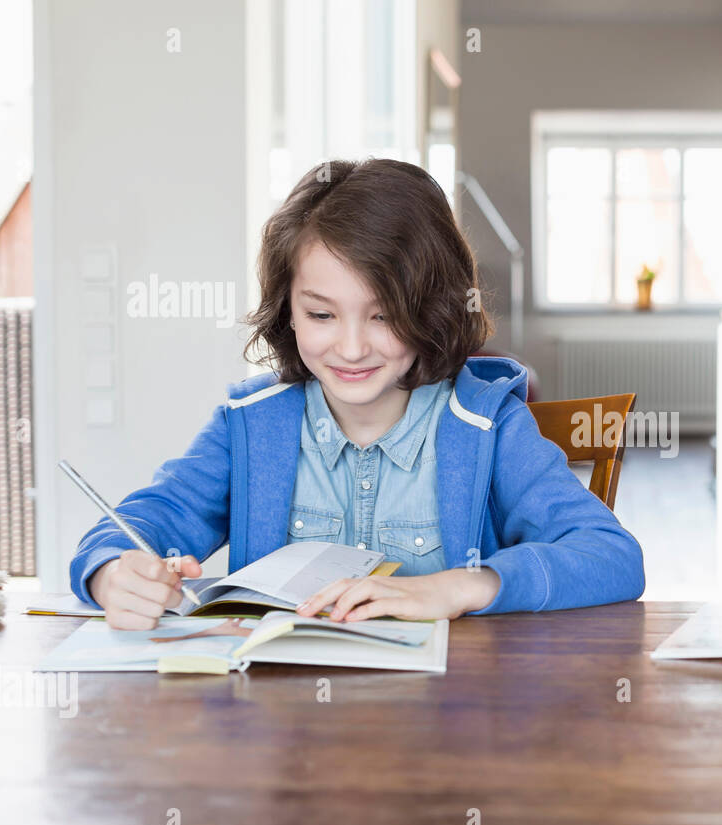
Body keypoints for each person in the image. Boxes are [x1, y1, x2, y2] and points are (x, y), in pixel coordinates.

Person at [71, 158, 645, 629]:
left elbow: (614, 557)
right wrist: (111, 572)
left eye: (383, 316)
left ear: (433, 309)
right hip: (281, 730)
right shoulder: (248, 425)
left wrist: (462, 586)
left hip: (449, 725)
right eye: (321, 313)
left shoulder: (488, 426)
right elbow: (135, 525)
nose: (350, 348)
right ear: (288, 311)